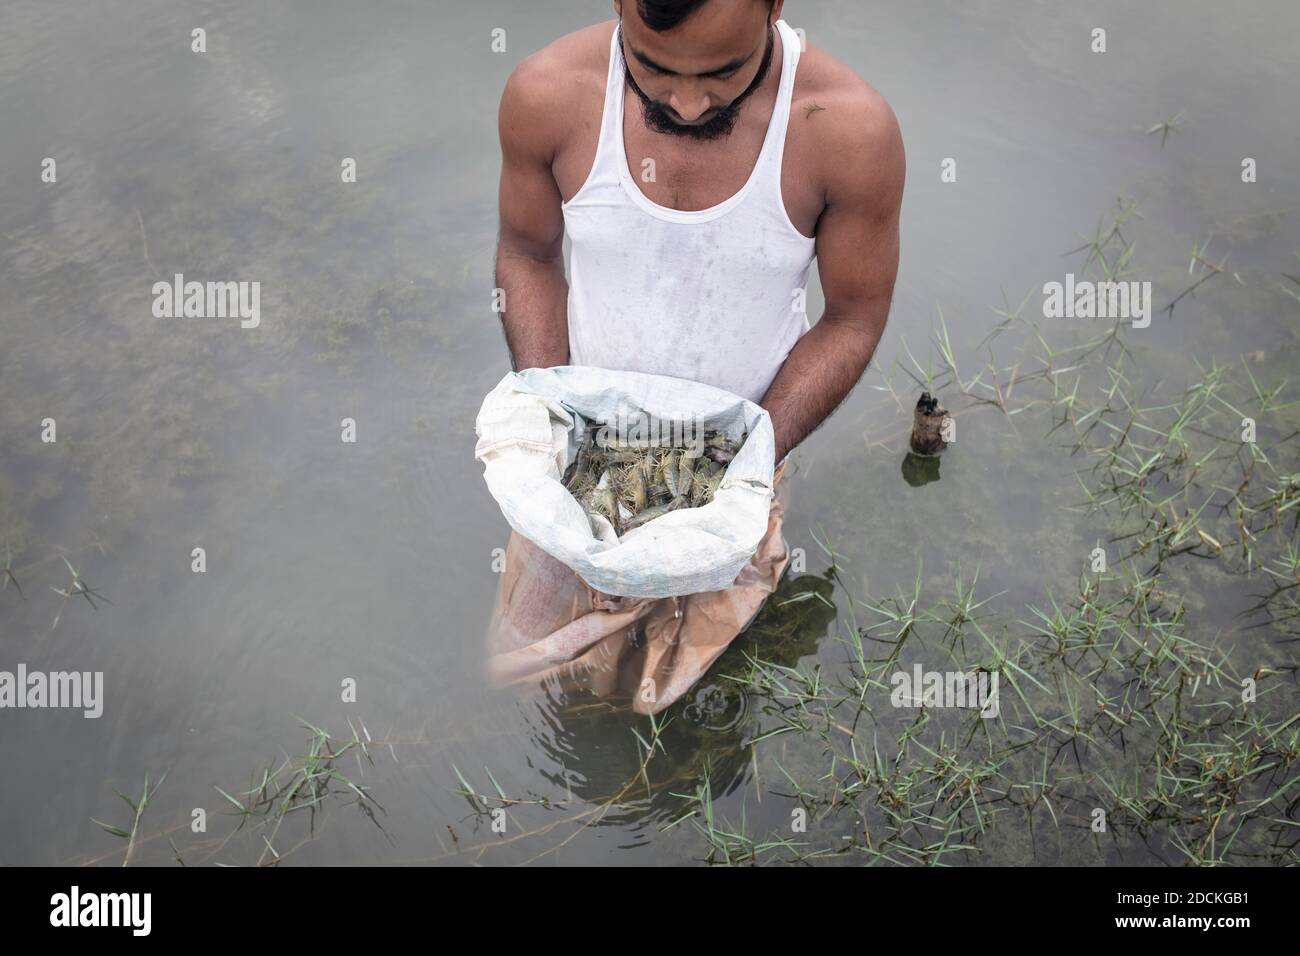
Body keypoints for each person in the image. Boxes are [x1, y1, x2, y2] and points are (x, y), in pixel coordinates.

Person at [488, 0, 904, 713]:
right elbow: (527, 254)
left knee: (688, 700)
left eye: (722, 73)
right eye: (652, 67)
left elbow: (853, 317)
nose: (684, 102)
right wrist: (544, 409)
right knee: (532, 677)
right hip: (580, 459)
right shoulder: (547, 96)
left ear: (776, 6)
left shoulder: (846, 132)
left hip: (741, 462)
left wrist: (743, 462)